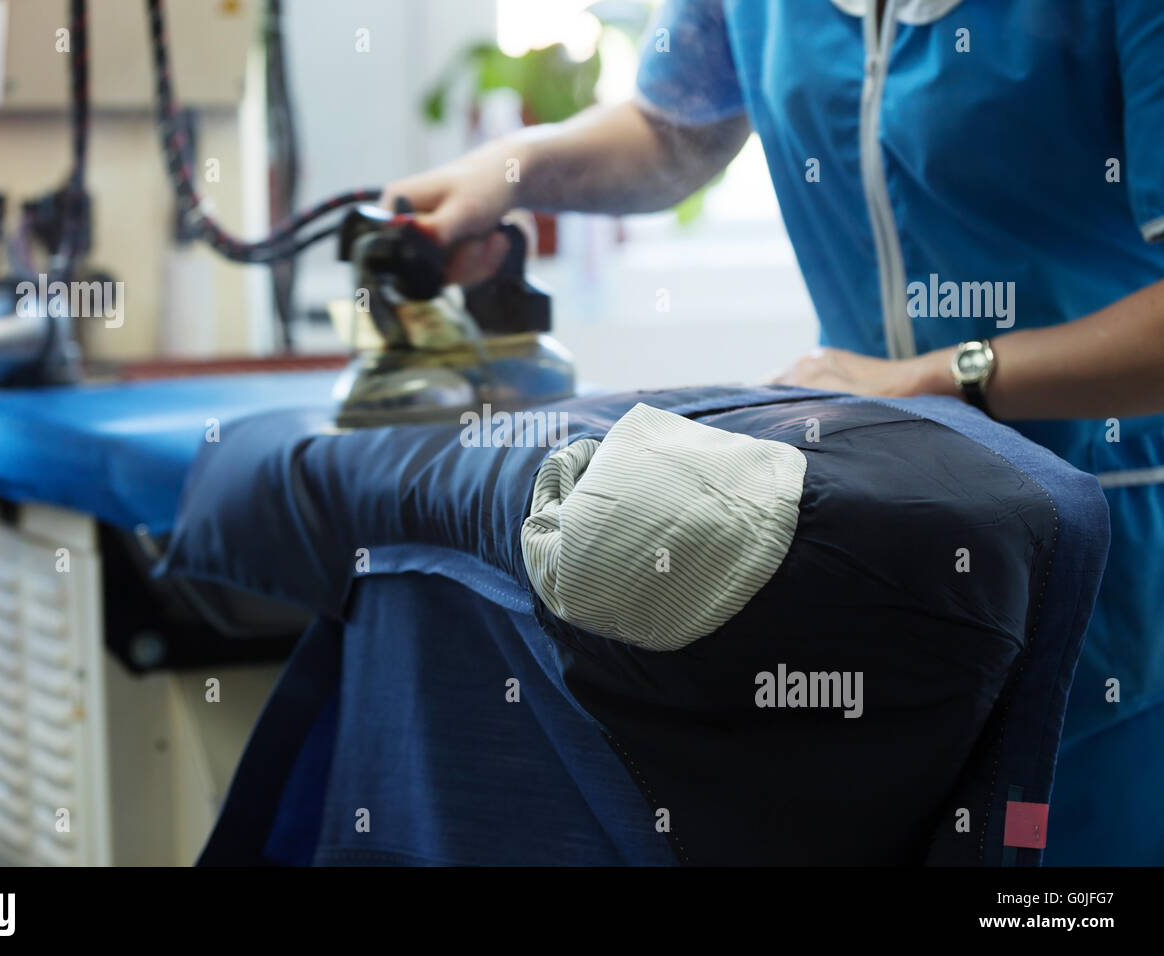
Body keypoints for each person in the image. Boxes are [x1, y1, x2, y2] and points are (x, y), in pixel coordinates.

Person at [381, 0, 1164, 865]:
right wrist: (510, 169)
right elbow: (672, 130)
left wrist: (939, 377)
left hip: (1114, 536)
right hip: (891, 539)